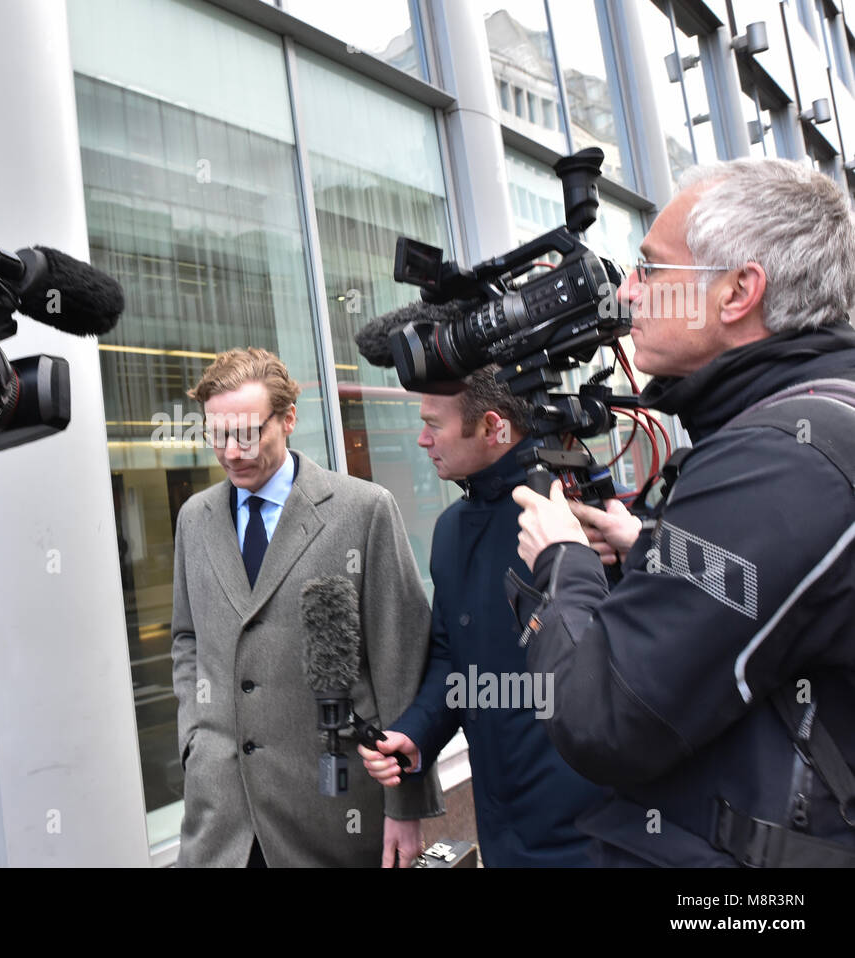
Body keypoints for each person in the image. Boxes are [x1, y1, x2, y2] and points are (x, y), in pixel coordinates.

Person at [512, 158, 855, 866]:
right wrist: (651, 547)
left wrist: (560, 565)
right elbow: (782, 601)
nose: (628, 291)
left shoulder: (779, 459)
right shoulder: (817, 419)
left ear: (738, 292)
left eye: (652, 270)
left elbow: (604, 717)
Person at [170, 347, 442, 867]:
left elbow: (400, 665)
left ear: (289, 418)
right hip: (220, 820)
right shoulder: (194, 519)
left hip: (333, 816)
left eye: (247, 433)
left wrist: (405, 806)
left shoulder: (364, 511)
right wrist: (196, 738)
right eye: (218, 434)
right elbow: (188, 639)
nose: (231, 451)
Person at [357, 367, 608, 865]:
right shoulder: (451, 529)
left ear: (494, 428)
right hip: (502, 829)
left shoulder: (584, 517)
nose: (422, 438)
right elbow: (455, 658)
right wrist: (417, 732)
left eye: (434, 424)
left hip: (596, 831)